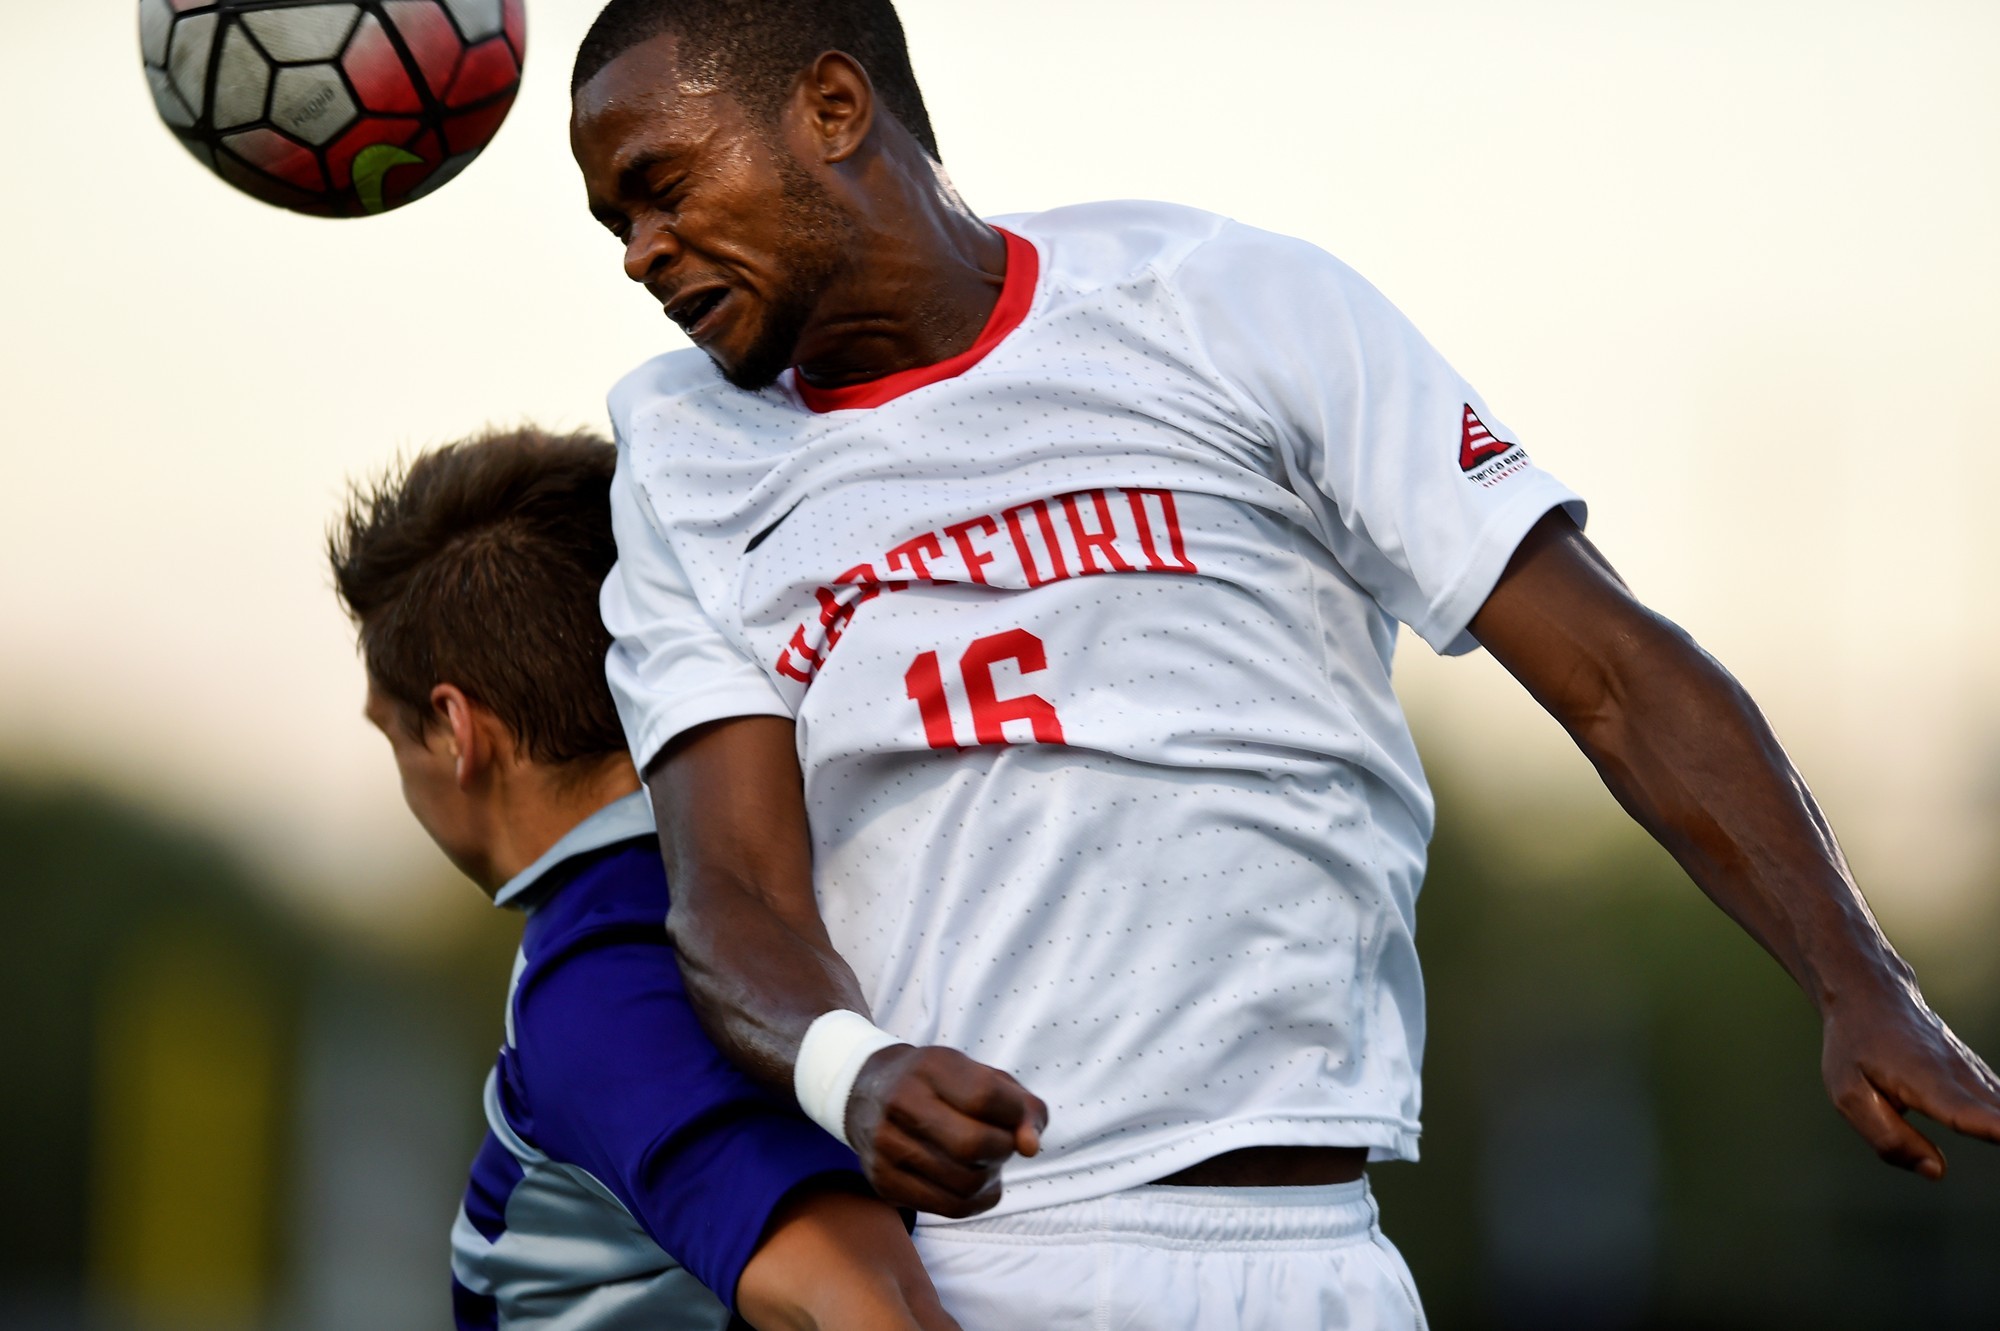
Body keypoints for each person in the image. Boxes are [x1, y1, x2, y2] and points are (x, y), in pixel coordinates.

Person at [567, 2, 2000, 1325]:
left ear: (830, 107)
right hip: (970, 1261)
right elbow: (731, 889)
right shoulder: (684, 456)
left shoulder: (1228, 304)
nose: (640, 251)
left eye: (662, 184)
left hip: (1317, 1253)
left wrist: (1853, 974)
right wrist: (851, 1067)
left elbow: (1613, 666)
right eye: (614, 220)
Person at [326, 426, 960, 1331]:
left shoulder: (607, 974)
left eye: (388, 733)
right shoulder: (756, 886)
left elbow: (869, 1300)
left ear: (457, 731)